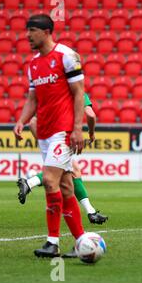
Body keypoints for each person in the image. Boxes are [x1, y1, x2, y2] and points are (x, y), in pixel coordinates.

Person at [13, 14, 86, 258]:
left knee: (50, 181)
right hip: (44, 131)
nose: (27, 35)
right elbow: (32, 99)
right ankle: (82, 243)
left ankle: (52, 242)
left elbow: (78, 93)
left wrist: (77, 128)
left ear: (46, 32)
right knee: (65, 187)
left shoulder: (66, 56)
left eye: (32, 30)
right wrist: (22, 120)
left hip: (63, 130)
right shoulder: (33, 64)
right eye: (27, 30)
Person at [17, 93, 109, 225]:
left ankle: (91, 212)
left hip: (49, 139)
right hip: (64, 137)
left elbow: (32, 123)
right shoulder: (78, 93)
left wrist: (45, 144)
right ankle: (30, 183)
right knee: (58, 173)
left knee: (73, 171)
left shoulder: (53, 95)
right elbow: (91, 115)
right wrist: (91, 133)